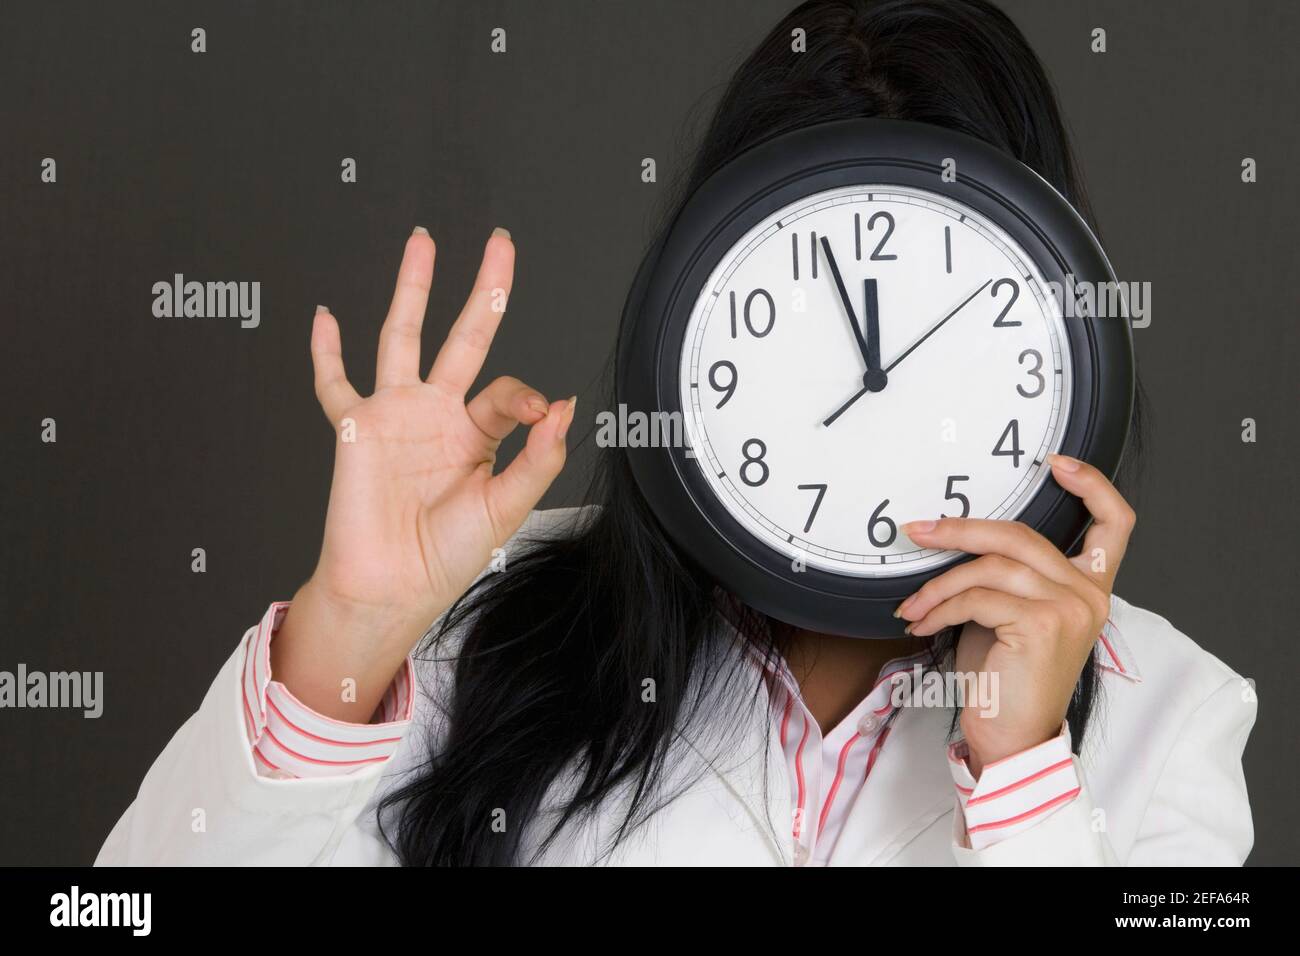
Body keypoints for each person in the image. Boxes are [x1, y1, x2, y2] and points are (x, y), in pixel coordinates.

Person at [97, 0, 1255, 867]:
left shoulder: (1171, 707)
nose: (880, 397)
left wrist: (1023, 781)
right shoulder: (474, 624)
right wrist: (347, 634)